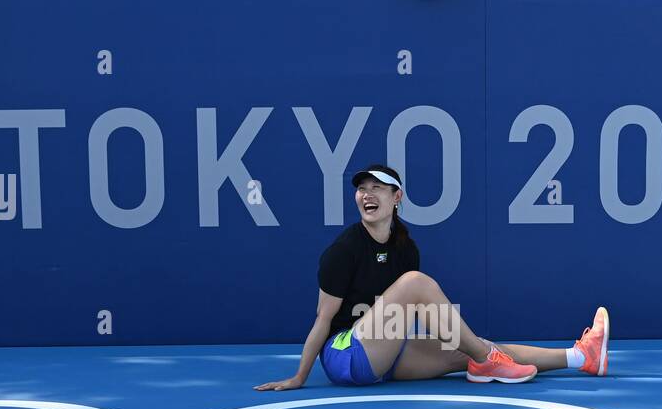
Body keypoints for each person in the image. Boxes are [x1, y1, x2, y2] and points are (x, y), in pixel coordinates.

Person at [255, 164, 608, 390]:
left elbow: (403, 317)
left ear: (397, 198)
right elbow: (323, 319)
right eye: (362, 188)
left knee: (469, 348)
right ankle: (488, 362)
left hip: (387, 346)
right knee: (416, 284)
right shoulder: (343, 250)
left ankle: (581, 357)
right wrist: (300, 376)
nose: (366, 194)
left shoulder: (405, 247)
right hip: (345, 355)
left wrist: (450, 340)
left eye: (377, 188)